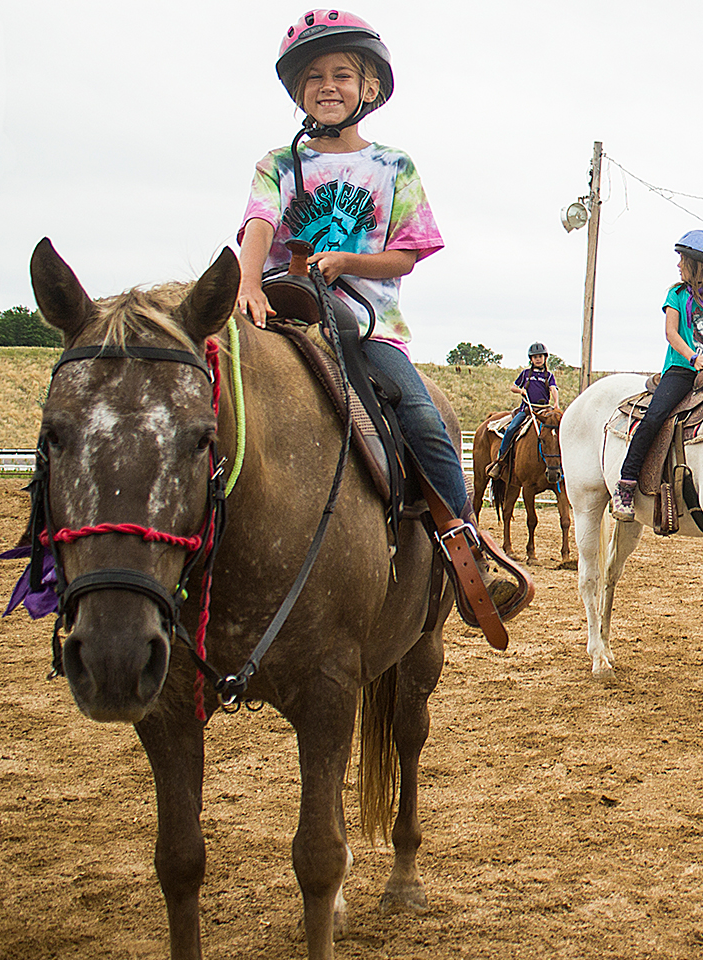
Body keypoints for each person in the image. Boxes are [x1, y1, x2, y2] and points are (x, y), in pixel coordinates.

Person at [234, 9, 531, 625]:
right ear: (297, 92)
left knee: (422, 416)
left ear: (370, 87)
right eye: (312, 76)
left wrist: (345, 261)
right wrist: (246, 283)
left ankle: (466, 548)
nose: (327, 86)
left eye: (342, 73)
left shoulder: (394, 166)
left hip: (368, 324)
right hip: (282, 310)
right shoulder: (277, 164)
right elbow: (259, 222)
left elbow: (406, 255)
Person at [610, 230, 703, 522]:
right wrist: (694, 357)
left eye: (681, 259)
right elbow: (671, 333)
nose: (678, 265)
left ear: (697, 264)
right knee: (655, 416)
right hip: (681, 369)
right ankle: (626, 483)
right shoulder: (677, 294)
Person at [487, 342, 560, 479]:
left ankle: (560, 464)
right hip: (527, 409)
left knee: (556, 432)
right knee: (511, 428)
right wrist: (521, 390)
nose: (538, 359)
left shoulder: (549, 376)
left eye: (540, 356)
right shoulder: (526, 374)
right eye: (535, 357)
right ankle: (500, 461)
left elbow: (553, 389)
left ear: (545, 358)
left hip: (544, 410)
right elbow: (513, 387)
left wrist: (556, 402)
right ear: (531, 359)